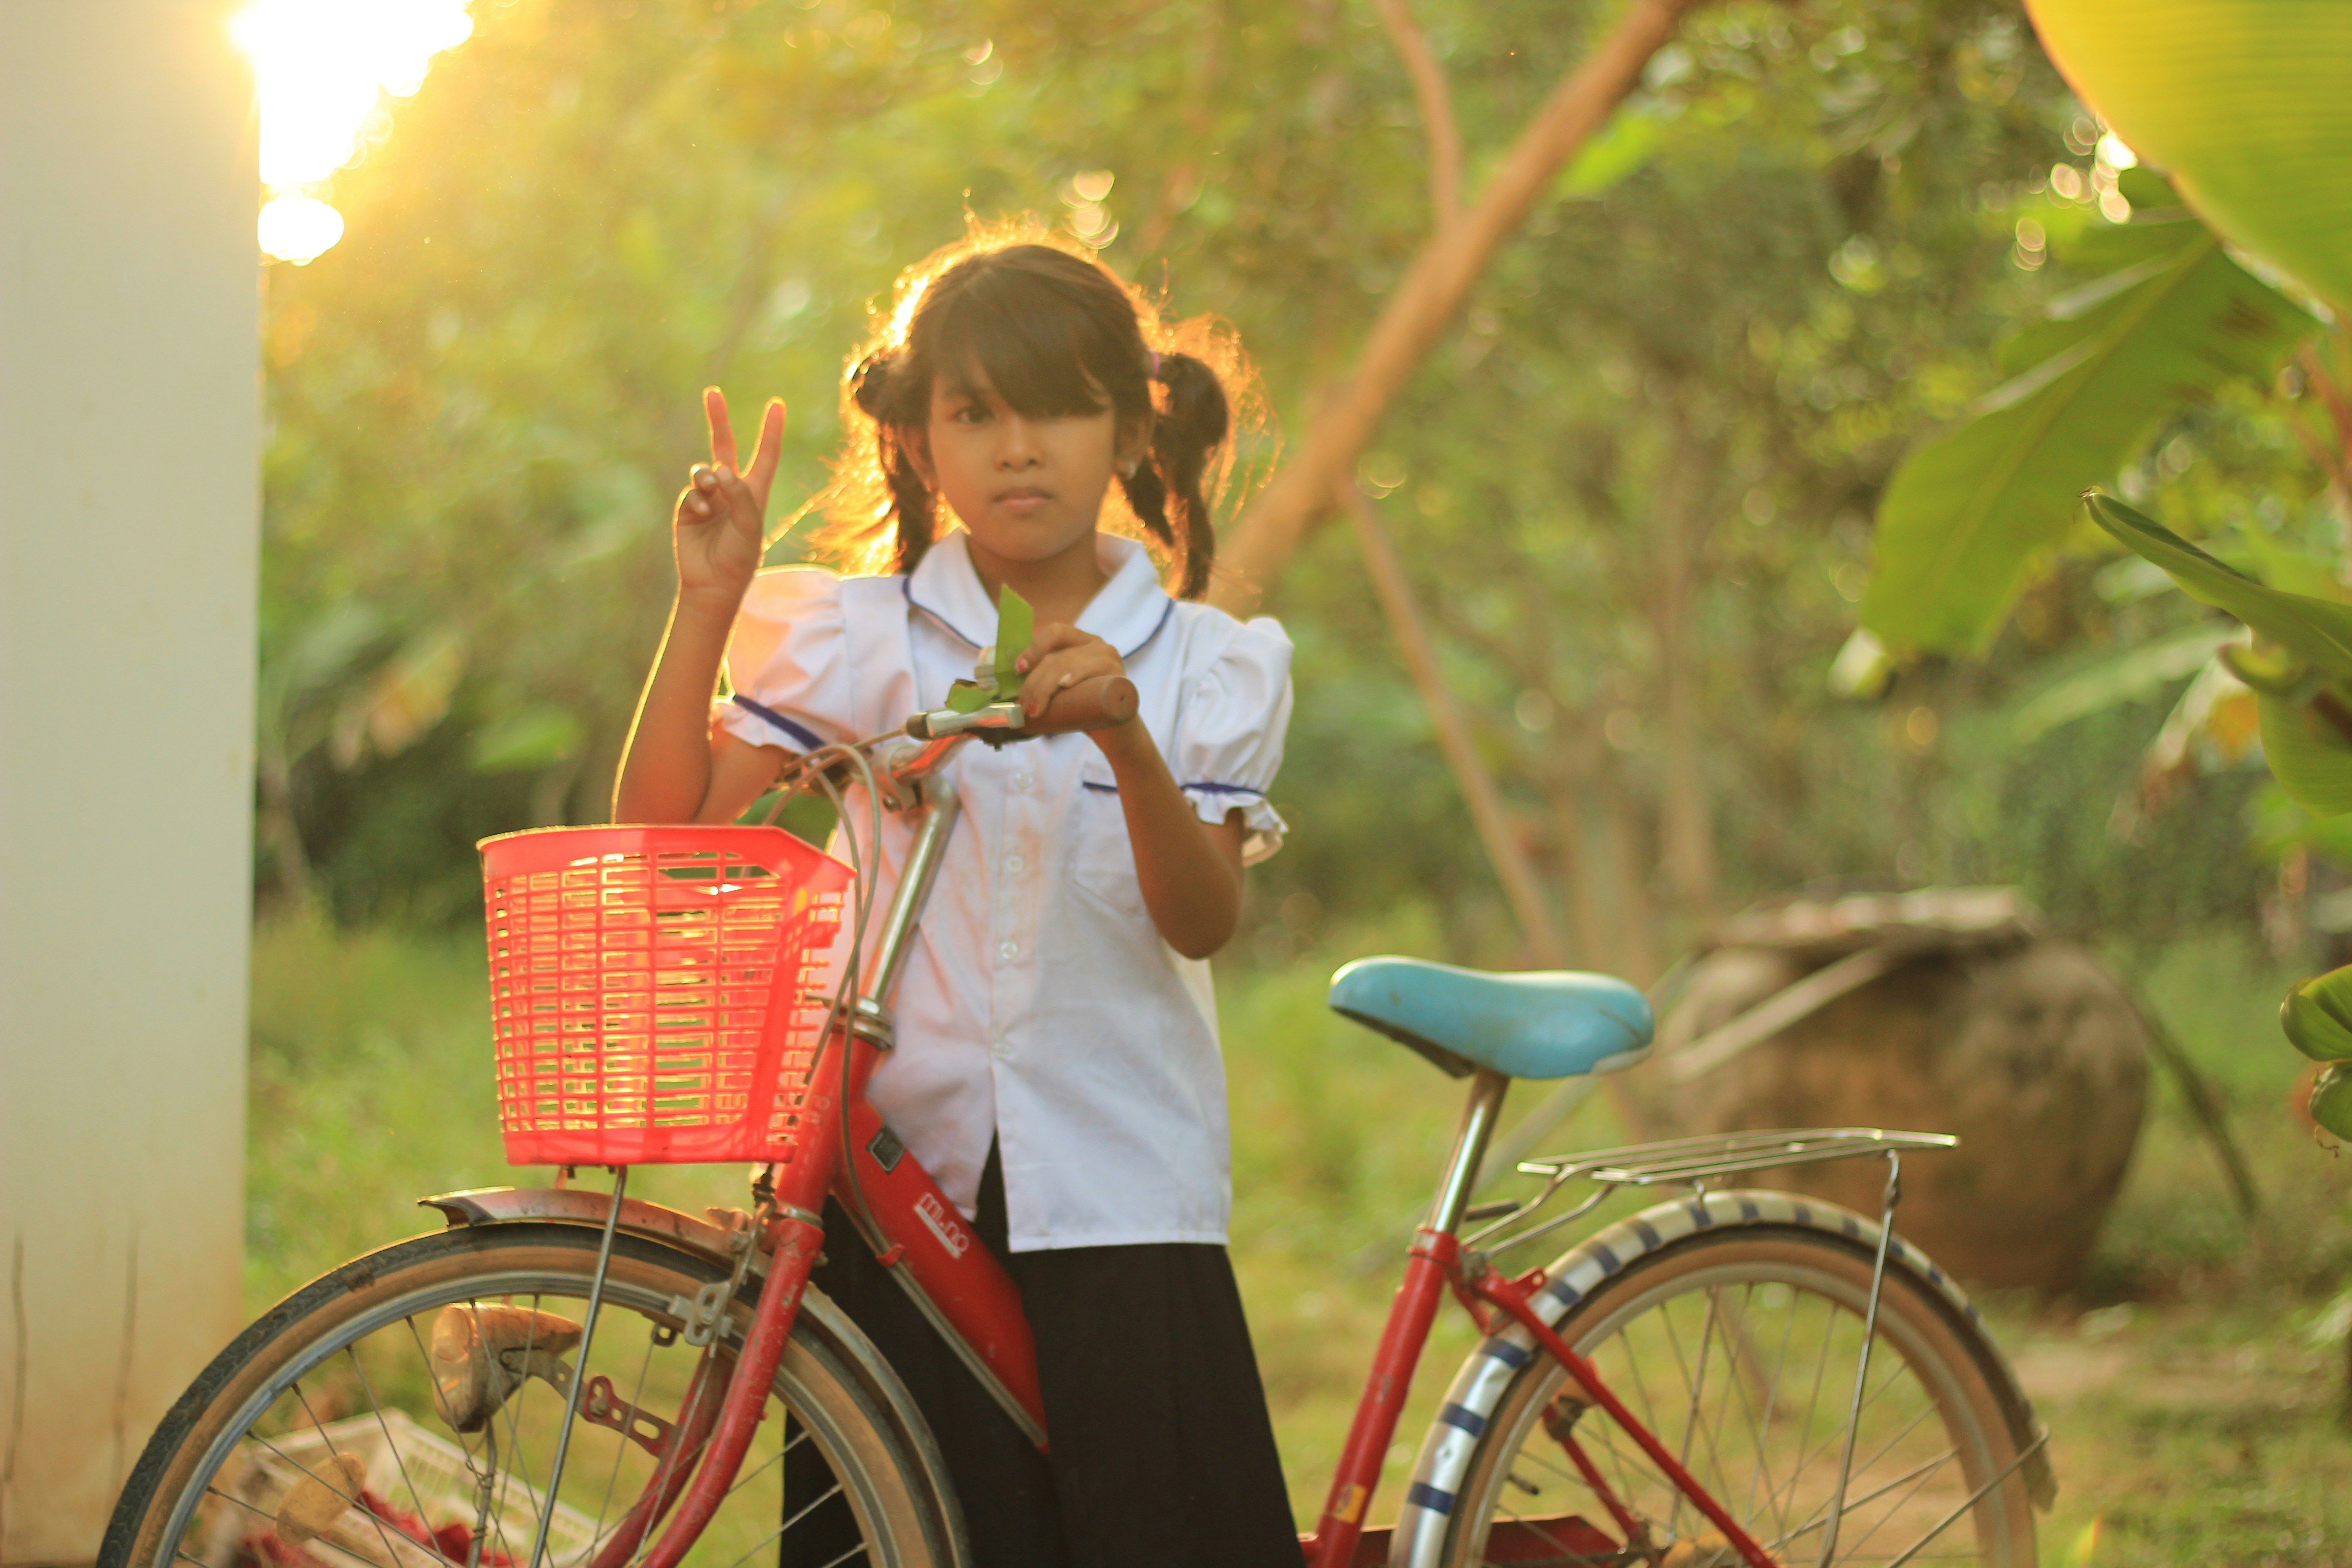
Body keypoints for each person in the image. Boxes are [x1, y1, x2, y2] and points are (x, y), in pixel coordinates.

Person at [612, 231, 1300, 1568]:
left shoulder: (1207, 665)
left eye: (1055, 405)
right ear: (921, 445)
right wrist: (707, 603)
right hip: (895, 1186)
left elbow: (1202, 920)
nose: (1018, 446)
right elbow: (664, 833)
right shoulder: (859, 639)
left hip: (1120, 1189)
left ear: (1126, 430)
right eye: (974, 413)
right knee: (901, 1528)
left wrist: (1128, 744)